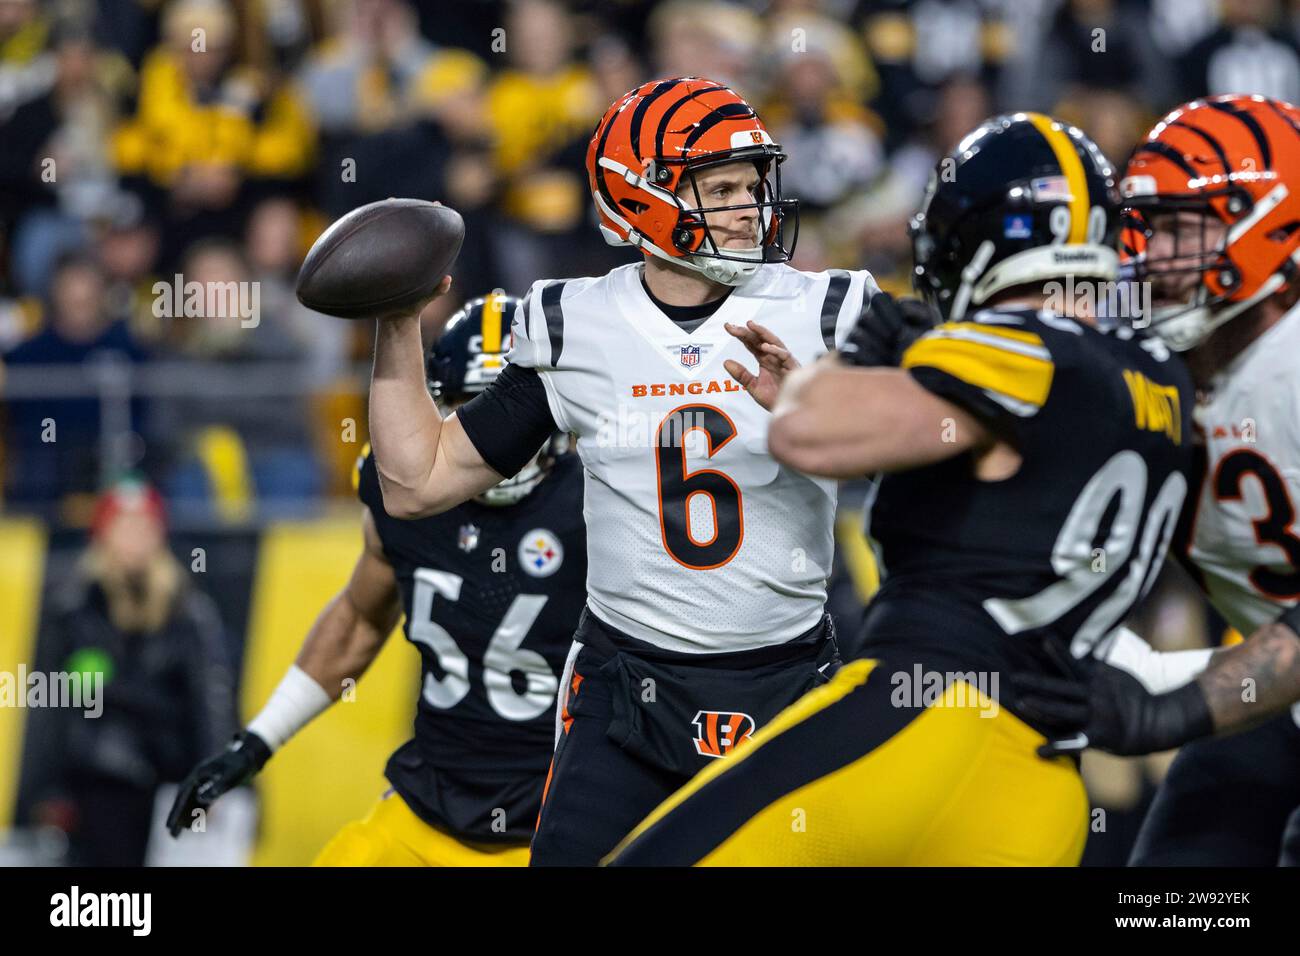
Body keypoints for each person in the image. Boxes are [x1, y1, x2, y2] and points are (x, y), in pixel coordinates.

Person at [606, 112, 1195, 866]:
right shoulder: (1159, 376)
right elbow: (1013, 492)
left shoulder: (1016, 342)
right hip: (1040, 791)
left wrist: (849, 366)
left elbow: (804, 434)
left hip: (923, 716)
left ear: (976, 235)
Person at [365, 77, 916, 866]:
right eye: (721, 188)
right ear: (643, 198)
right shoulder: (574, 322)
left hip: (788, 684)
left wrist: (822, 408)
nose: (748, 207)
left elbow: (956, 425)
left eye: (753, 184)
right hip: (628, 695)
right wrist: (395, 323)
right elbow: (417, 483)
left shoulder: (830, 307)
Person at [166, 296, 587, 865]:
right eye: (475, 408)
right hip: (427, 810)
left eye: (512, 411)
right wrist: (254, 744)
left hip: (553, 828)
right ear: (439, 408)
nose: (499, 437)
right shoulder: (404, 495)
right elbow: (360, 621)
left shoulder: (598, 502)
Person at [1011, 94, 1300, 867]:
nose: (1151, 256)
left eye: (1177, 227)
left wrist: (1176, 706)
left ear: (1269, 221)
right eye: (1145, 227)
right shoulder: (1160, 366)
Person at [22, 478, 235, 866]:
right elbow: (47, 707)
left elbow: (211, 701)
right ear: (104, 534)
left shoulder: (188, 610)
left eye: (144, 526)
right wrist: (43, 791)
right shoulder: (71, 609)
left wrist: (213, 778)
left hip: (167, 784)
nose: (135, 539)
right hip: (93, 787)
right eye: (125, 526)